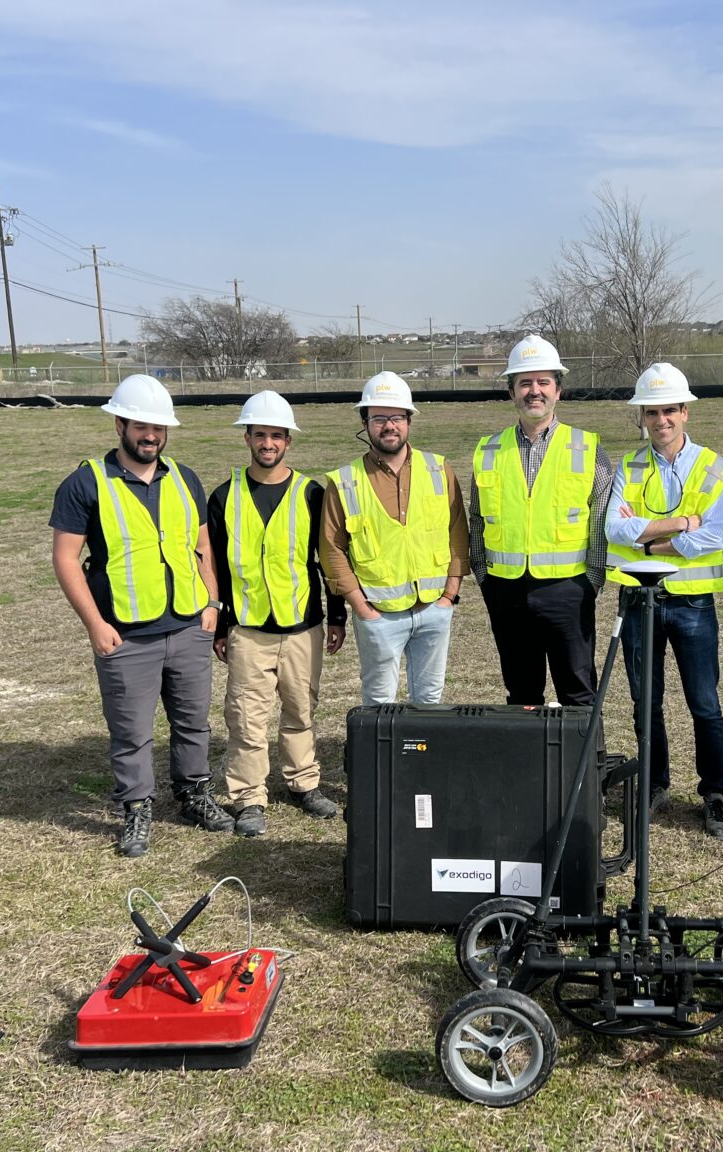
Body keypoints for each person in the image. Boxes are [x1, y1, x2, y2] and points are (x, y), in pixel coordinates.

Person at [49, 374, 233, 858]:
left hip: (189, 626)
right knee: (131, 732)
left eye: (159, 427)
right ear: (119, 424)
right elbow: (66, 559)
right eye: (141, 426)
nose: (151, 435)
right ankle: (136, 807)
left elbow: (201, 547)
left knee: (194, 723)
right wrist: (96, 625)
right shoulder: (85, 482)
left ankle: (194, 793)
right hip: (126, 636)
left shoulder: (184, 477)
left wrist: (211, 604)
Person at [605, 364, 723, 838]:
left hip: (693, 603)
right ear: (642, 416)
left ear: (685, 413)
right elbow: (614, 530)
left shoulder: (713, 467)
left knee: (704, 703)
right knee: (647, 702)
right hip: (640, 600)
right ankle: (656, 783)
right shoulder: (628, 466)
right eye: (652, 411)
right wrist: (683, 525)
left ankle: (715, 793)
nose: (661, 419)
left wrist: (649, 538)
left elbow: (714, 537)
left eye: (669, 410)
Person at [208, 391, 347, 838]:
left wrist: (337, 616)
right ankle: (249, 796)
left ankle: (303, 782)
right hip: (248, 629)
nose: (268, 442)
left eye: (276, 435)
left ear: (288, 441)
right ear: (247, 437)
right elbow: (217, 566)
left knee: (301, 707)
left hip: (303, 626)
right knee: (247, 716)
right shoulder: (224, 495)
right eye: (260, 434)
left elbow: (329, 559)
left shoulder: (311, 493)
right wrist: (223, 624)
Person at [468, 334, 615, 706]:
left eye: (543, 382)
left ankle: (583, 766)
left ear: (558, 391)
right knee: (521, 693)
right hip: (506, 591)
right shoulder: (488, 449)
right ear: (512, 392)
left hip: (569, 591)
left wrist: (591, 580)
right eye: (525, 383)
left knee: (579, 692)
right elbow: (477, 519)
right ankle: (530, 765)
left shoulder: (587, 446)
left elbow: (601, 515)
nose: (535, 391)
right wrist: (486, 579)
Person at [319, 371, 469, 705]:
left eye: (397, 417)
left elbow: (457, 532)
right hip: (379, 614)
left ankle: (421, 757)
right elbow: (332, 550)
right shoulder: (344, 482)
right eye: (379, 418)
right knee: (379, 699)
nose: (390, 426)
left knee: (429, 698)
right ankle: (383, 759)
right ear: (365, 422)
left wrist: (449, 595)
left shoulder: (438, 470)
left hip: (434, 608)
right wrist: (361, 607)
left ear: (409, 421)